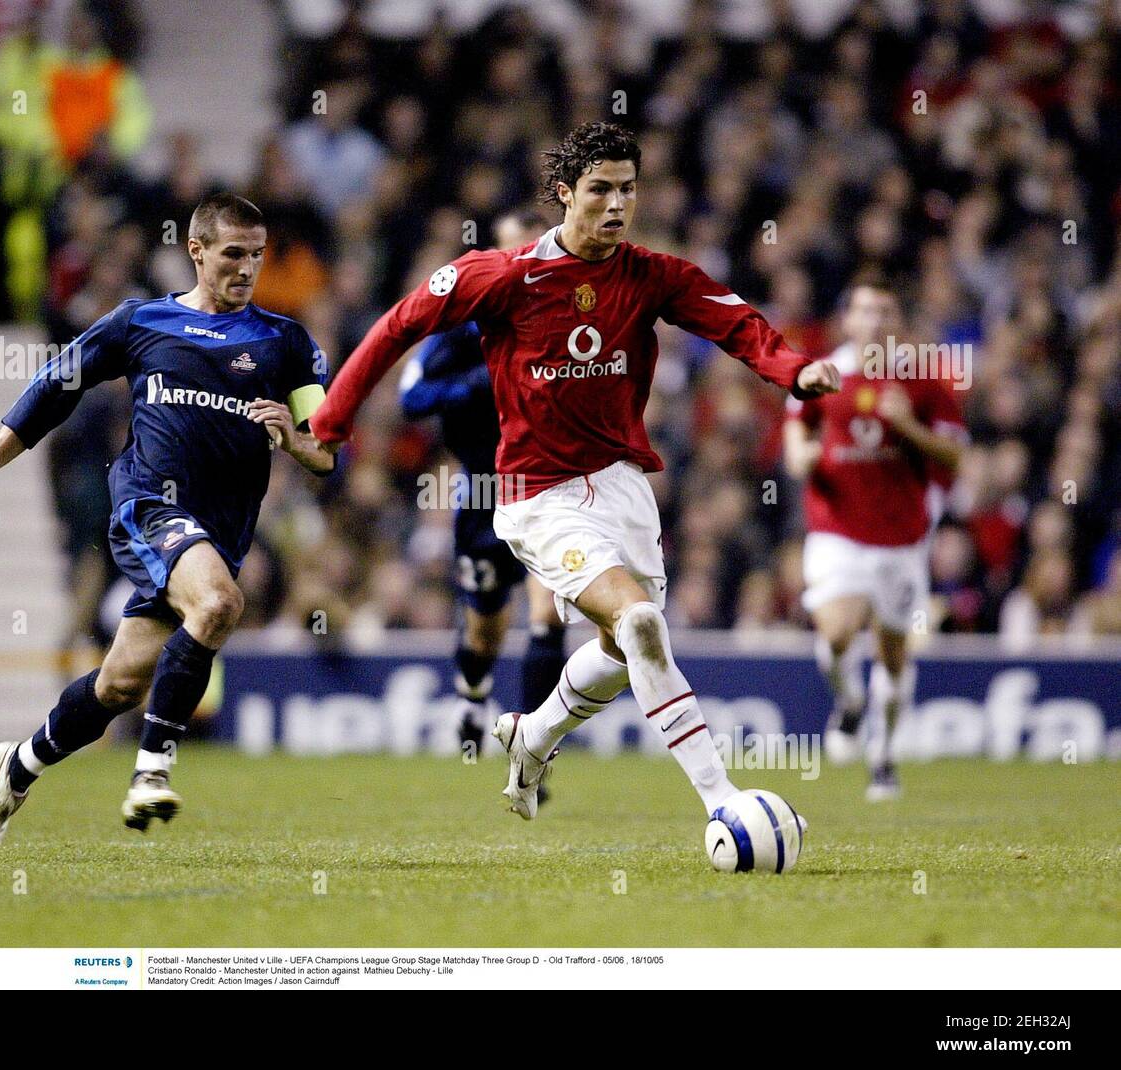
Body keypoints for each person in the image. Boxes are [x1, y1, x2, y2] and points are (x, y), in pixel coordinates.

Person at [310, 122, 840, 821]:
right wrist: (328, 424)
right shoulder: (504, 276)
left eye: (628, 189)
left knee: (625, 647)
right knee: (643, 622)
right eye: (600, 189)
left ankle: (533, 734)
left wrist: (793, 370)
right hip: (537, 495)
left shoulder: (651, 275)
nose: (617, 204)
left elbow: (733, 320)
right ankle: (724, 801)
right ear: (564, 192)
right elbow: (398, 325)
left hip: (623, 487)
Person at [0, 193, 333, 851]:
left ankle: (15, 767)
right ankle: (151, 770)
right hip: (148, 508)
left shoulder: (287, 342)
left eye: (257, 256)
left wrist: (297, 443)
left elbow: (325, 448)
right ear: (196, 251)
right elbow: (56, 385)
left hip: (219, 533)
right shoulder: (142, 322)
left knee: (119, 683)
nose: (247, 268)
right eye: (233, 254)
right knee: (218, 604)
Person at [398, 207, 566, 784]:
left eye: (530, 249)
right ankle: (473, 699)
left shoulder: (566, 325)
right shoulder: (462, 327)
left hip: (550, 486)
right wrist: (476, 385)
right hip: (487, 493)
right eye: (508, 251)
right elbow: (411, 398)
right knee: (486, 630)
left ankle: (535, 759)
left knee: (547, 617)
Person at [783, 274, 965, 800]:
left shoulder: (922, 381)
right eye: (865, 311)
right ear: (848, 318)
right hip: (836, 529)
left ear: (897, 321)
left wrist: (908, 427)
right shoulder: (825, 373)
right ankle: (849, 702)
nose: (875, 322)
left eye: (885, 312)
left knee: (892, 652)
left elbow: (954, 453)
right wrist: (799, 454)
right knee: (836, 633)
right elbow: (799, 422)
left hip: (902, 539)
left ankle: (883, 757)